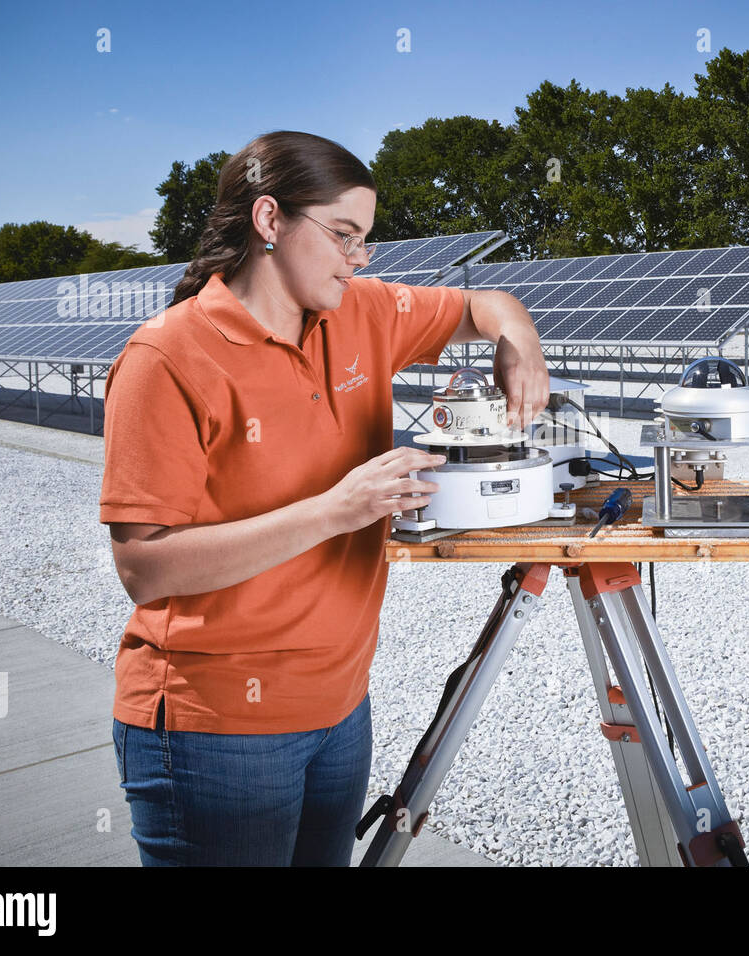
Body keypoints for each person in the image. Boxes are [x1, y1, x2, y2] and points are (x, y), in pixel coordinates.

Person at [101, 130, 549, 866]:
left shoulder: (361, 311)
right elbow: (146, 569)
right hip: (214, 730)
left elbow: (485, 301)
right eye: (344, 236)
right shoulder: (167, 357)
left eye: (366, 241)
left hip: (341, 709)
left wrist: (519, 338)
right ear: (270, 221)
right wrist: (339, 508)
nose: (360, 259)